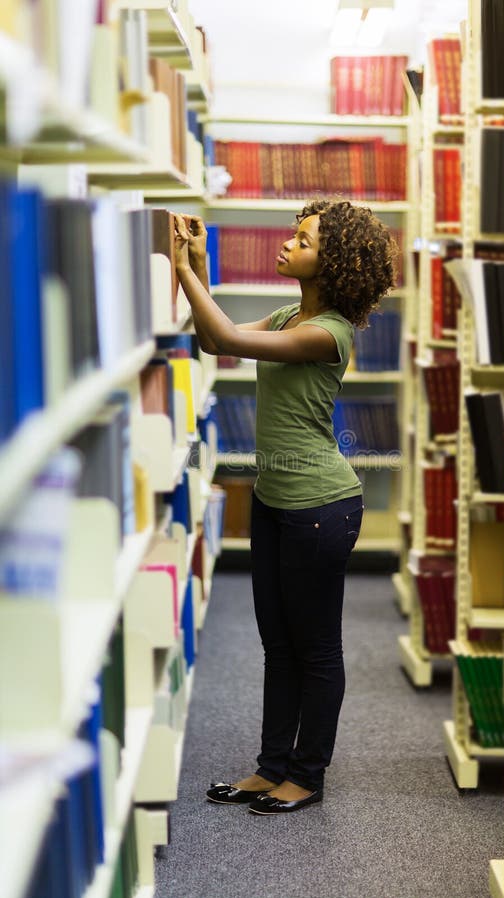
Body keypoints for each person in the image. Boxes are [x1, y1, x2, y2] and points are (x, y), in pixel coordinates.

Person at [174, 199, 397, 815]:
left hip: (321, 507)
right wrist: (200, 266)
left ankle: (306, 775)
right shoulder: (286, 317)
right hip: (274, 500)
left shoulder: (328, 334)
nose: (287, 244)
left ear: (333, 263)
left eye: (303, 240)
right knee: (278, 645)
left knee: (316, 649)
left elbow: (225, 337)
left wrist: (183, 267)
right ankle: (271, 767)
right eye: (293, 235)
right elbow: (211, 339)